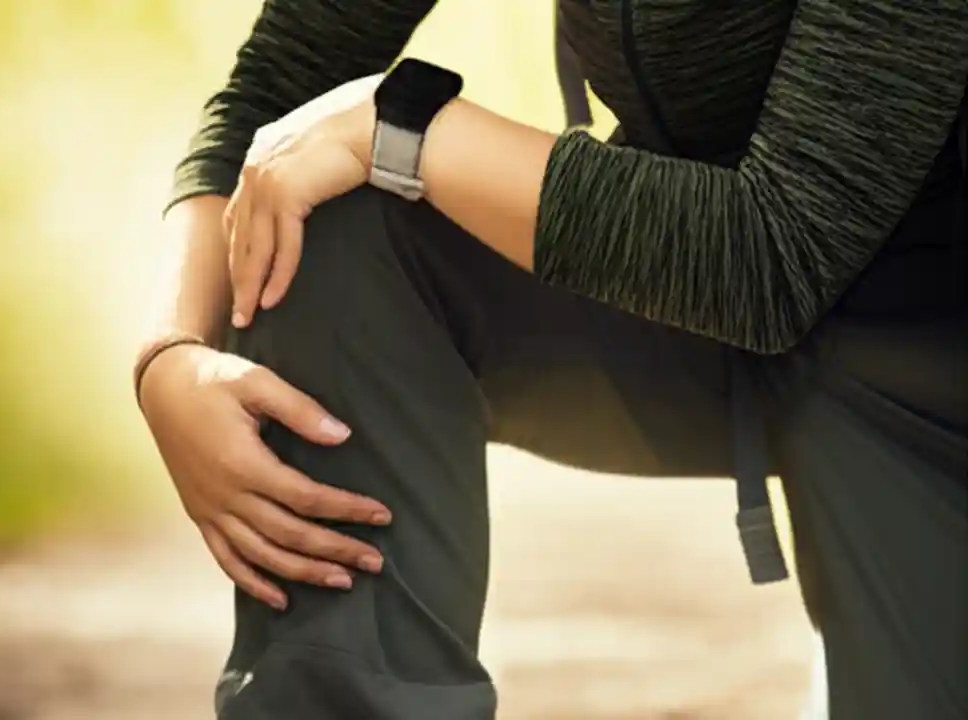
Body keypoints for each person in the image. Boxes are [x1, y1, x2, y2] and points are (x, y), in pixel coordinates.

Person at [135, 1, 968, 717]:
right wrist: (171, 356)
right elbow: (274, 92)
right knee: (328, 224)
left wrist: (408, 124)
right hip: (695, 293)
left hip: (927, 357)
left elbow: (776, 254)